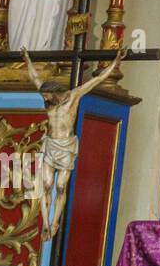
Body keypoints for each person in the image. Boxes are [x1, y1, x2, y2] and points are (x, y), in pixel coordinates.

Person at [23, 45, 125, 237]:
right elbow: (35, 77)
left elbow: (98, 79)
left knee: (61, 186)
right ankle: (46, 223)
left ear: (54, 93)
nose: (44, 100)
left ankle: (55, 221)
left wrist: (116, 61)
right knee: (45, 185)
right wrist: (27, 59)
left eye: (46, 96)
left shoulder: (73, 97)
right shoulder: (48, 99)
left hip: (66, 147)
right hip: (51, 145)